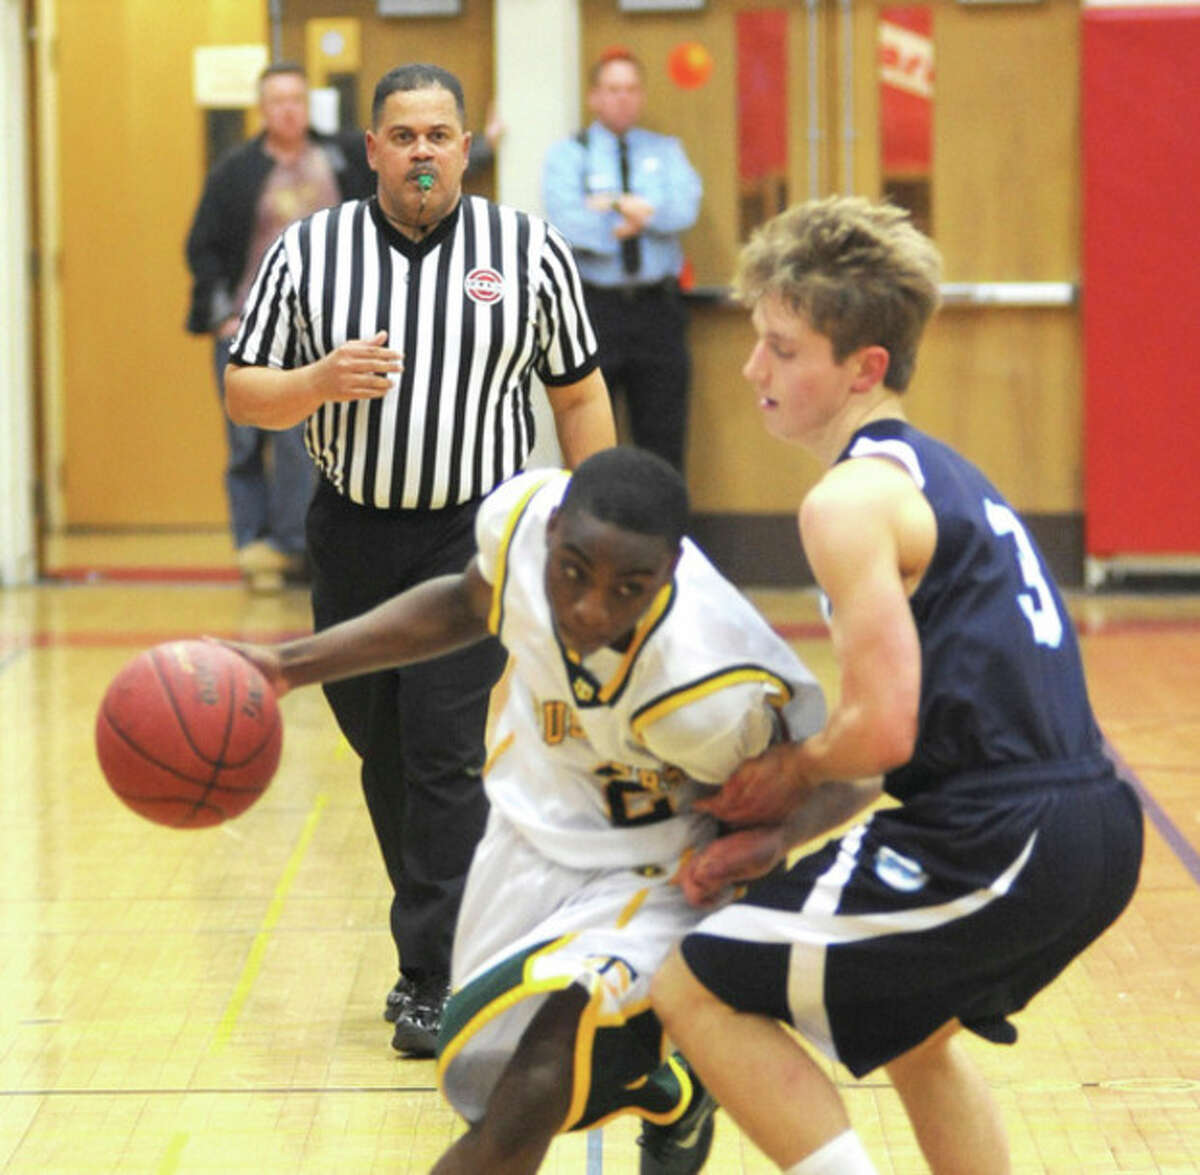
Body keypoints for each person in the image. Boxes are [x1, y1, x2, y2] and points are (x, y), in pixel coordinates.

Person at [650, 196, 1145, 1174]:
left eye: (783, 348)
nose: (755, 369)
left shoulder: (846, 501)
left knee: (692, 982)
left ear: (863, 367)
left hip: (1002, 833)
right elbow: (910, 736)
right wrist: (789, 828)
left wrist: (788, 773)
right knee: (912, 1030)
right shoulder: (945, 475)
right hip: (1083, 822)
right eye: (758, 341)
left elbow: (880, 730)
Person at [221, 445, 828, 1175]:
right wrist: (290, 665)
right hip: (526, 828)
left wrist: (769, 845)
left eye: (628, 588)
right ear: (551, 535)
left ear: (670, 573)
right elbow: (464, 602)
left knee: (529, 1094)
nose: (589, 609)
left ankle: (666, 1048)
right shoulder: (522, 517)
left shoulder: (711, 687)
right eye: (572, 574)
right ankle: (670, 1087)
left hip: (657, 868)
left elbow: (838, 771)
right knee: (484, 1079)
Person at [222, 63, 616, 1058]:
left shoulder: (525, 250)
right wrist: (314, 380)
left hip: (474, 538)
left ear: (466, 145)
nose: (424, 152)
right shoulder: (310, 252)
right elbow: (242, 392)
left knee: (442, 753)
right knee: (384, 751)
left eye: (440, 134)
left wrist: (605, 524)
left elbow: (576, 392)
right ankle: (462, 924)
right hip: (351, 532)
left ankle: (434, 977)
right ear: (372, 151)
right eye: (404, 136)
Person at [185, 62, 375, 593]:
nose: (289, 110)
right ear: (263, 109)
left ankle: (301, 547)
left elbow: (404, 186)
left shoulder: (339, 157)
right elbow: (201, 248)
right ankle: (253, 546)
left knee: (311, 442)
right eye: (278, 101)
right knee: (247, 441)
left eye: (297, 99)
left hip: (324, 328)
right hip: (249, 325)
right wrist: (225, 314)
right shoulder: (235, 171)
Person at [542, 49, 702, 472]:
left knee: (663, 438)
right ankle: (587, 535)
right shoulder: (568, 155)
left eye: (631, 89)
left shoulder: (666, 151)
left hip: (658, 310)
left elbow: (684, 209)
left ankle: (662, 536)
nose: (623, 99)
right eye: (613, 90)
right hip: (595, 310)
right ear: (594, 96)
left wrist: (610, 205)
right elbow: (569, 222)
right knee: (588, 440)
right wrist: (636, 214)